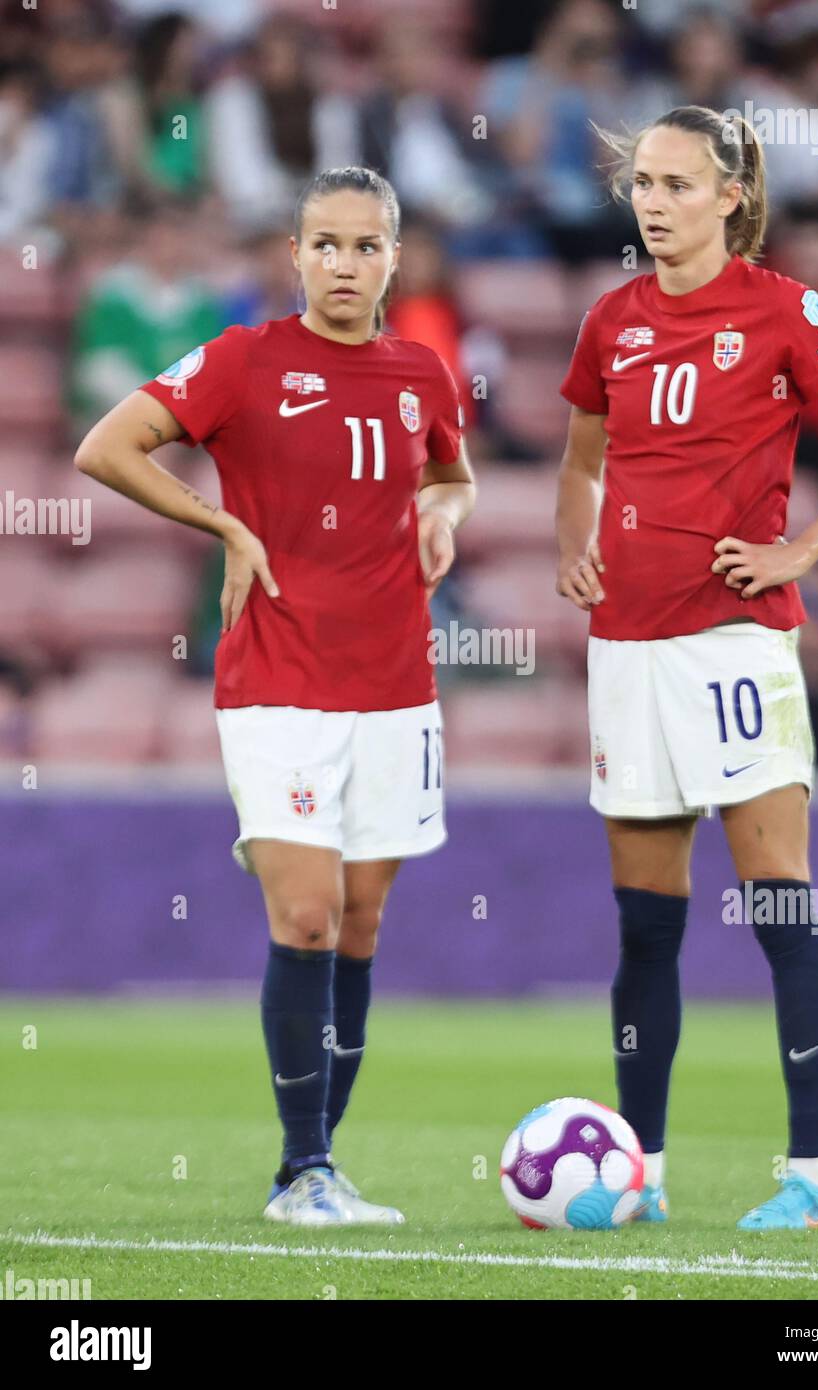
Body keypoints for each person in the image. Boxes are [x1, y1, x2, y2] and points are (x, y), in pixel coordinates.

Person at [73, 166, 476, 1227]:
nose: (344, 264)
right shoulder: (246, 360)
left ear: (394, 257)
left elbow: (450, 473)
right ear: (292, 255)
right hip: (276, 679)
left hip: (396, 683)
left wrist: (444, 515)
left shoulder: (420, 371)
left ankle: (321, 1166)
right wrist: (226, 527)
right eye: (324, 244)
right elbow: (105, 445)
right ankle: (299, 1172)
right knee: (304, 915)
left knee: (360, 925)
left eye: (365, 245)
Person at [555, 105, 818, 1229]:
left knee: (777, 905)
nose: (654, 203)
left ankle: (810, 1177)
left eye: (677, 184)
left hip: (730, 641)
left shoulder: (779, 311)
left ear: (729, 195)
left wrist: (795, 551)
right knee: (643, 926)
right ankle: (641, 1175)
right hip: (624, 644)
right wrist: (571, 539)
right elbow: (580, 460)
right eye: (642, 184)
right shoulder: (608, 321)